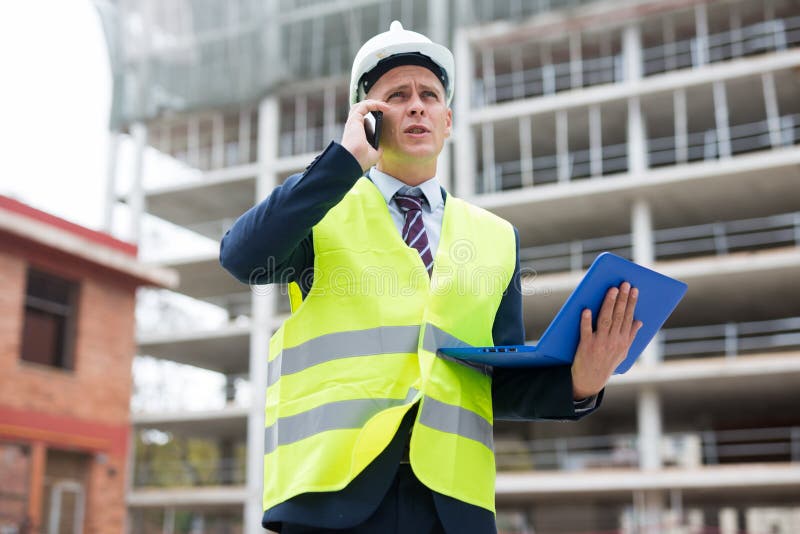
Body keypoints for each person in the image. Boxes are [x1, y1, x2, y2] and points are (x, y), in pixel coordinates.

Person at [219, 21, 642, 534]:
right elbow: (242, 256)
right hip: (328, 496)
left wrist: (582, 382)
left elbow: (496, 381)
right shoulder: (319, 208)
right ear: (366, 118)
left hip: (450, 505)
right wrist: (344, 161)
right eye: (397, 95)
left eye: (429, 95)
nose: (416, 105)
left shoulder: (496, 237)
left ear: (448, 119)